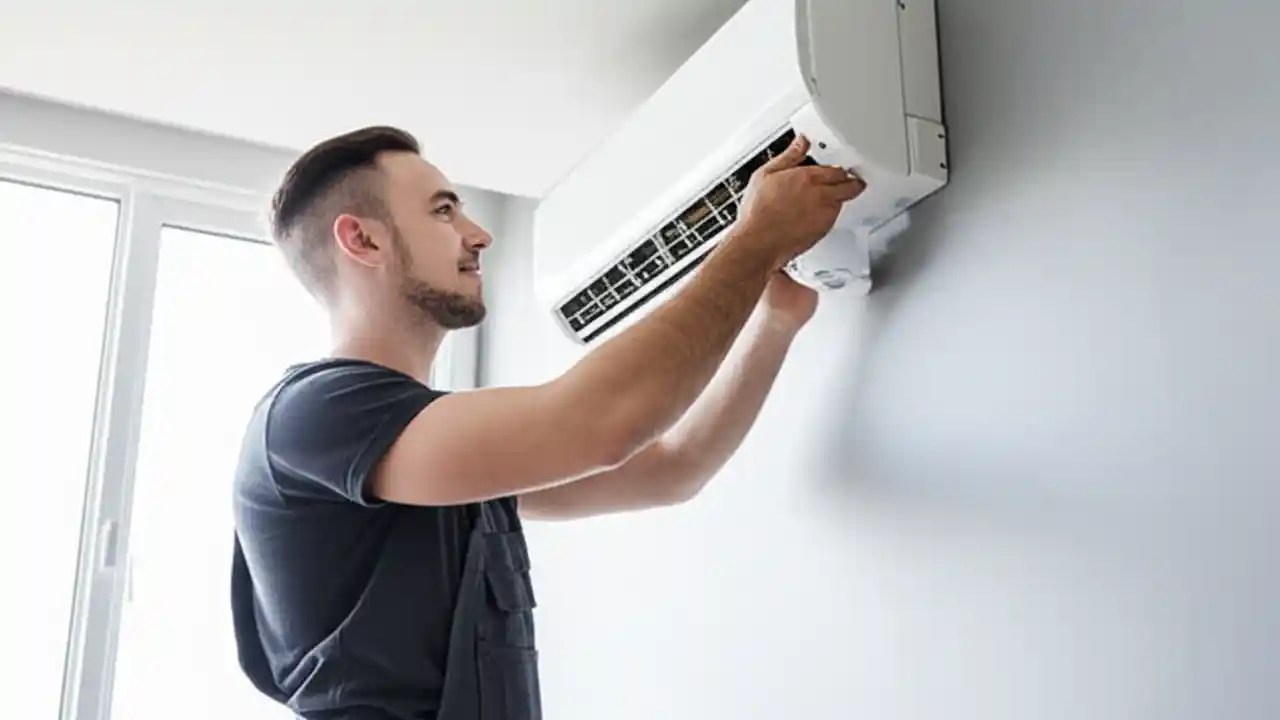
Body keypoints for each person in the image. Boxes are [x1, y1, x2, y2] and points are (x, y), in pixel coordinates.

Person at [231, 125, 866, 719]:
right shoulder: (314, 413)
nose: (478, 234)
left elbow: (673, 467)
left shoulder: (430, 451)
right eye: (443, 210)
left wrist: (775, 320)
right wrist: (751, 244)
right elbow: (601, 426)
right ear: (362, 240)